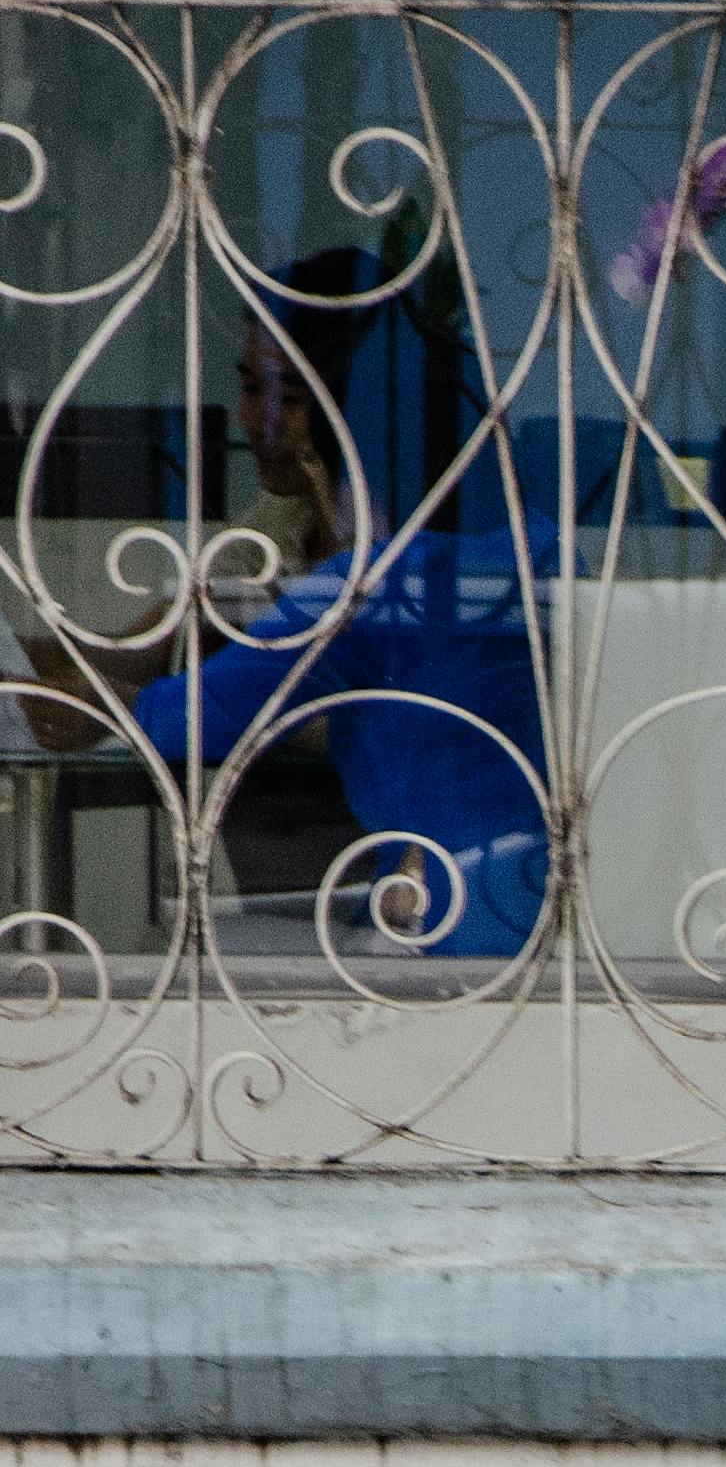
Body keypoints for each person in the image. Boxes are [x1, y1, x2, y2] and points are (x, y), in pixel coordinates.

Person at [21, 254, 549, 959]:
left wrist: (116, 701)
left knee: (170, 960)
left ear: (334, 433)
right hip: (557, 909)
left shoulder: (363, 588)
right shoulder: (537, 553)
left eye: (297, 404)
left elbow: (183, 720)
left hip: (443, 928)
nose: (271, 426)